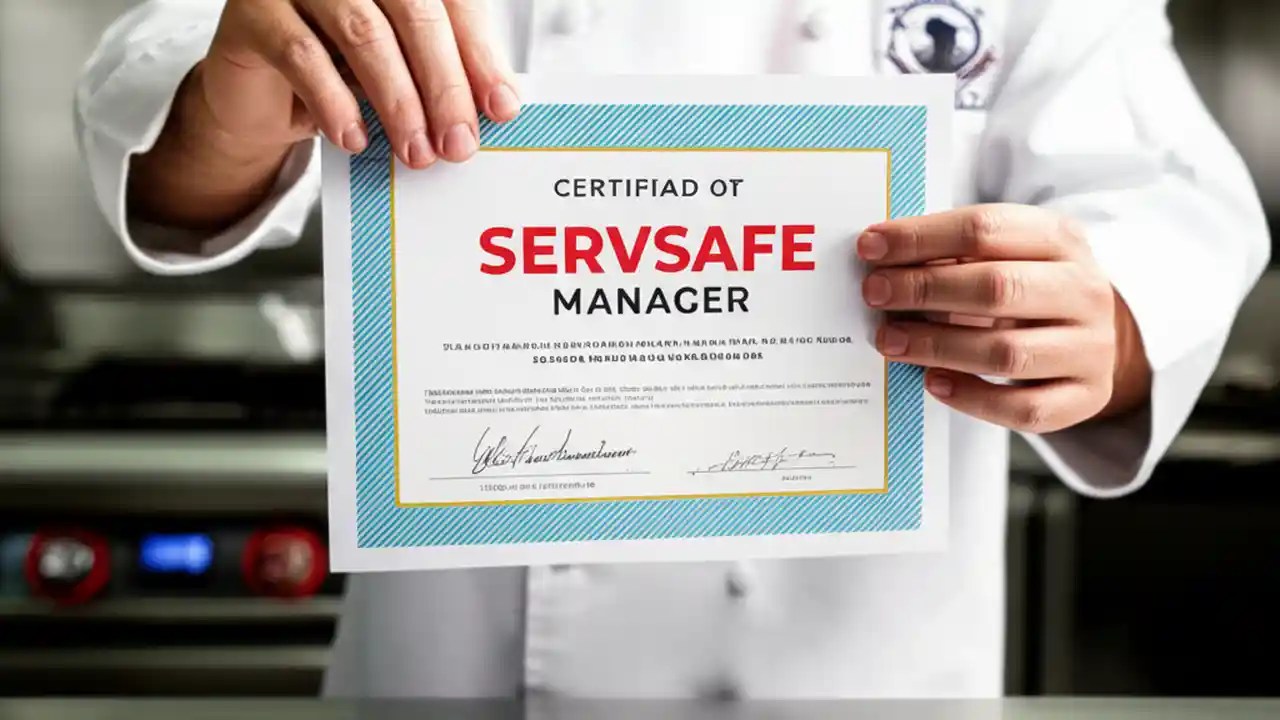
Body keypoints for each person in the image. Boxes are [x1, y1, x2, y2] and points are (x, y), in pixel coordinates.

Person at [75, 0, 1268, 699]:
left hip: (858, 679)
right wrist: (225, 99)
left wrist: (1099, 321)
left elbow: (1165, 200)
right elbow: (186, 104)